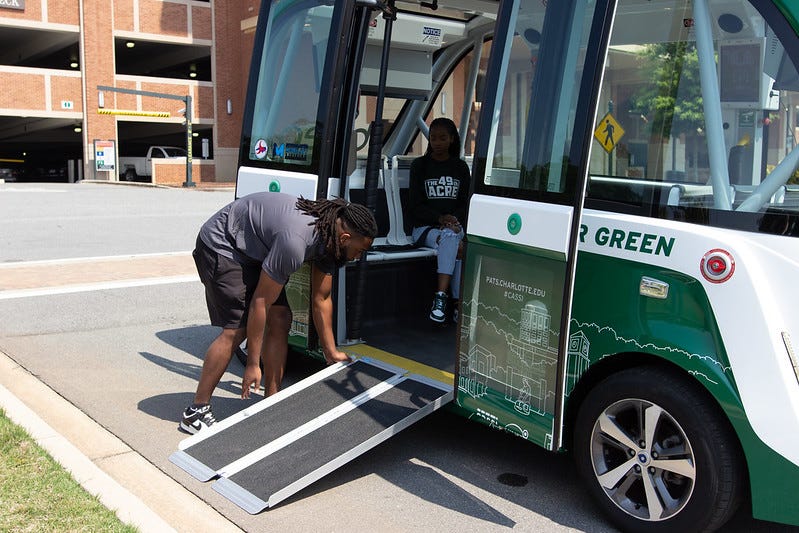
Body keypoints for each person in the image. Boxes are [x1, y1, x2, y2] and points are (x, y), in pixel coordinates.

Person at [180, 192, 377, 434]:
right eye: (359, 251)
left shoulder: (331, 243)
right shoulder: (295, 242)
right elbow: (260, 303)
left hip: (255, 249)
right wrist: (253, 363)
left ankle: (271, 401)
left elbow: (321, 298)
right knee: (237, 329)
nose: (358, 257)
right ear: (345, 237)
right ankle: (196, 411)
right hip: (223, 244)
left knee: (281, 317)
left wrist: (330, 350)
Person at [408, 117, 470, 324]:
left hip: (455, 225)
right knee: (455, 245)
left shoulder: (460, 168)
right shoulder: (420, 166)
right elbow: (415, 205)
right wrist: (440, 218)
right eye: (433, 138)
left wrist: (454, 219)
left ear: (452, 139)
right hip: (426, 229)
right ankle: (454, 303)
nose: (437, 143)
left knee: (451, 237)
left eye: (443, 138)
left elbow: (465, 203)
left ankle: (441, 300)